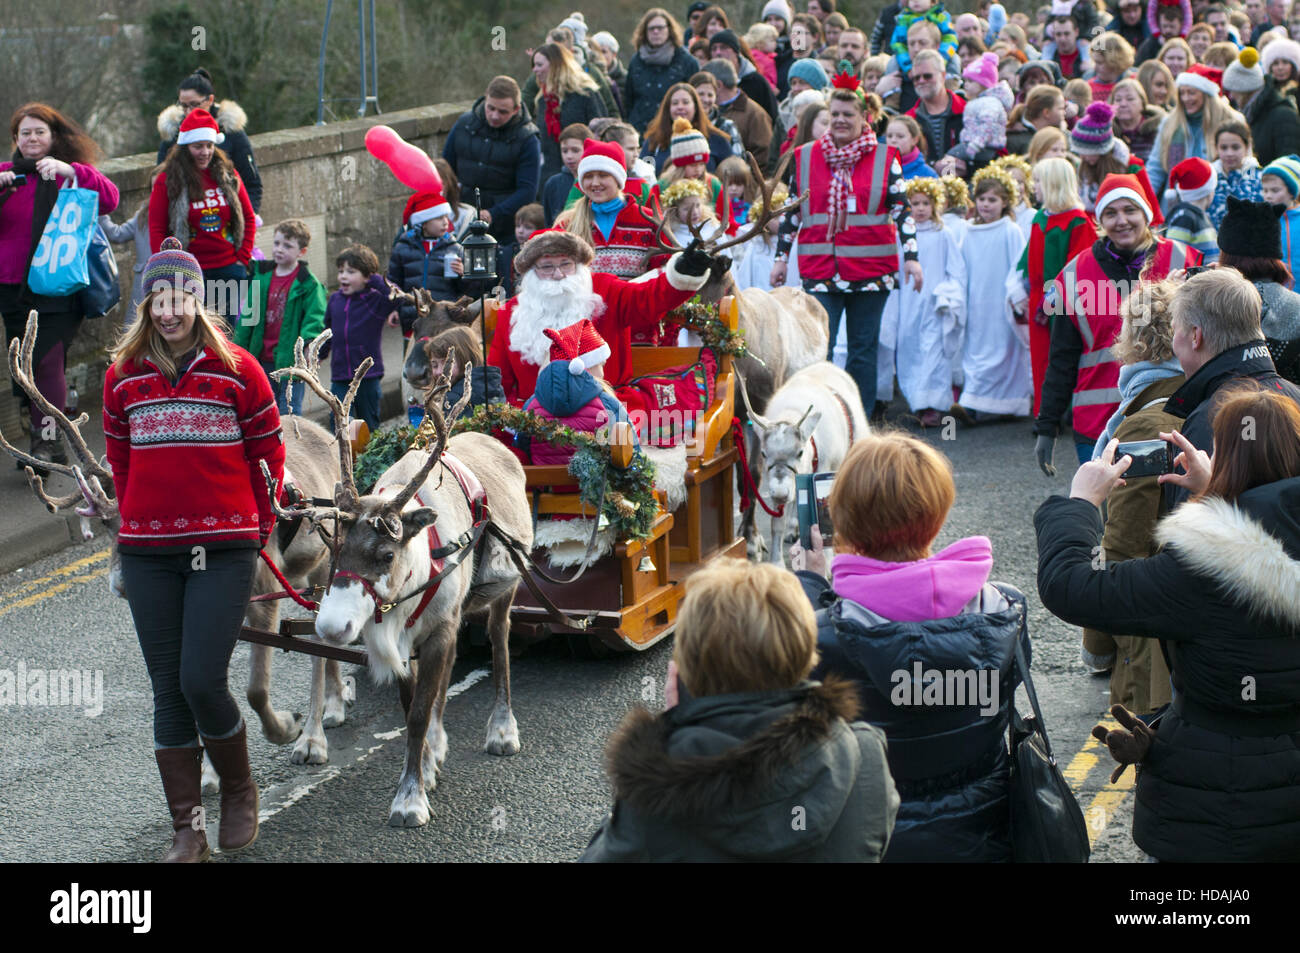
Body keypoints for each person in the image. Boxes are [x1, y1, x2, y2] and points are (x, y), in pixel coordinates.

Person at [1035, 386, 1300, 862]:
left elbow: (1071, 586)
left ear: (1232, 463)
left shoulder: (1198, 572)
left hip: (1214, 807)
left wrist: (1080, 503)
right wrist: (1217, 496)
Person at [103, 237, 284, 863]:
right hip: (150, 553)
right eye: (159, 298)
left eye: (180, 297)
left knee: (201, 678)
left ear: (197, 301)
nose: (170, 310)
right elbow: (120, 461)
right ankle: (189, 827)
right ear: (148, 304)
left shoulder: (239, 371)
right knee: (167, 689)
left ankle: (239, 789)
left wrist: (255, 531)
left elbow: (269, 456)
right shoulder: (122, 377)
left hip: (224, 547)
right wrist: (131, 527)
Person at [788, 433, 1028, 862]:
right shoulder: (1004, 609)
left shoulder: (824, 635)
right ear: (936, 516)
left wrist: (810, 584)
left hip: (872, 842)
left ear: (845, 524)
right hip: (986, 837)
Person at [581, 560, 899, 863]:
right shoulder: (863, 757)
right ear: (804, 650)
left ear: (685, 667)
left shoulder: (653, 791)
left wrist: (673, 728)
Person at [773, 76, 923, 414]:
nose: (840, 120)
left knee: (862, 349)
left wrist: (912, 258)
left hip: (872, 273)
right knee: (819, 349)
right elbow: (792, 212)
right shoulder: (805, 157)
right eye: (835, 114)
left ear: (864, 118)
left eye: (848, 115)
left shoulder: (886, 158)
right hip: (820, 270)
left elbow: (902, 211)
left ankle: (858, 421)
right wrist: (780, 259)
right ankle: (816, 417)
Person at [1034, 173, 1200, 473]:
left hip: (1173, 416)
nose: (1121, 220)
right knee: (1107, 516)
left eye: (1130, 210)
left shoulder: (1183, 259)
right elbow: (1061, 358)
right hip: (1097, 423)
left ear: (1146, 215)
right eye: (1111, 213)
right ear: (1100, 221)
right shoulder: (1072, 276)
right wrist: (1047, 425)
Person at [1077, 276, 1181, 701]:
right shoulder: (1209, 395)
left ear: (1134, 343)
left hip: (1152, 637)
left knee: (1149, 748)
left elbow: (1121, 546)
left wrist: (1096, 645)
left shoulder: (1140, 423)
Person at [0, 104, 119, 466]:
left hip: (59, 287)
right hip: (12, 287)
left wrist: (72, 171)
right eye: (25, 133)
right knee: (22, 366)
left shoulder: (70, 174)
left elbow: (110, 198)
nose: (32, 139)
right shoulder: (5, 174)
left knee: (46, 364)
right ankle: (43, 422)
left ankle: (47, 443)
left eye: (40, 132)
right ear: (15, 140)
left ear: (54, 137)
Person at [486, 229, 710, 406]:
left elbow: (650, 299)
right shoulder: (513, 313)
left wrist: (683, 273)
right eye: (546, 267)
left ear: (579, 264)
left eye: (566, 264)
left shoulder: (604, 290)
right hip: (538, 421)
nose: (558, 274)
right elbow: (497, 380)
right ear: (531, 272)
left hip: (607, 411)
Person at [1161, 266, 1300, 506]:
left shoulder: (1213, 417)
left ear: (1196, 336)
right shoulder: (1295, 396)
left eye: (1174, 330)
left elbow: (1192, 537)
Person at [148, 108, 256, 329]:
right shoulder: (166, 180)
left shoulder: (228, 175)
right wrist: (168, 269)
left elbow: (248, 217)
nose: (205, 152)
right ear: (186, 148)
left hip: (228, 270)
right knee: (193, 336)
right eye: (198, 146)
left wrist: (241, 260)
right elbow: (157, 229)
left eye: (210, 145)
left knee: (227, 339)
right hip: (188, 275)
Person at [1014, 156, 1097, 416]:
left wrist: (1055, 295)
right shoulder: (1041, 217)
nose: (1034, 187)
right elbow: (1028, 259)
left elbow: (1079, 266)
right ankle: (1045, 412)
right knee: (1041, 359)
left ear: (1053, 184)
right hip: (1038, 296)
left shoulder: (1077, 221)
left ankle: (1068, 412)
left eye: (1038, 181)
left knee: (1064, 356)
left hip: (1064, 300)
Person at [954, 166, 1031, 420]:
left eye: (992, 200)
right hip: (976, 301)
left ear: (1005, 202)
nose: (986, 205)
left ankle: (1004, 405)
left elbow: (1018, 267)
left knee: (1003, 351)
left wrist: (1015, 297)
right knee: (976, 350)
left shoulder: (1010, 230)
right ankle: (972, 403)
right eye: (982, 199)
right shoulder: (967, 231)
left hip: (1001, 302)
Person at [889, 177, 965, 424]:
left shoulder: (944, 234)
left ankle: (932, 405)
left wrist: (947, 294)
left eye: (925, 203)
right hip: (908, 306)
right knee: (911, 352)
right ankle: (918, 402)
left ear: (935, 205)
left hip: (935, 305)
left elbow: (956, 270)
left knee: (933, 351)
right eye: (914, 203)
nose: (920, 209)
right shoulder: (900, 236)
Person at [236, 218, 327, 416]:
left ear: (301, 252)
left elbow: (314, 319)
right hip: (260, 357)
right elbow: (247, 319)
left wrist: (307, 346)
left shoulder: (308, 284)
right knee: (262, 409)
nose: (279, 249)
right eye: (277, 243)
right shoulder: (261, 275)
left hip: (290, 362)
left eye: (287, 245)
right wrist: (238, 350)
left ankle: (291, 447)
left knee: (289, 411)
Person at [520, 319, 636, 465]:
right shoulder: (606, 402)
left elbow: (522, 448)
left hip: (545, 486)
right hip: (592, 486)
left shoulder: (533, 402)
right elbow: (629, 450)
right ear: (586, 366)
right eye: (601, 365)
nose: (603, 373)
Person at [442, 76, 542, 244]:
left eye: (503, 112)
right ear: (484, 101)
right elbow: (445, 169)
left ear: (516, 109)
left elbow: (527, 190)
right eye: (491, 108)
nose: (495, 116)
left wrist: (493, 213)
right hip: (463, 216)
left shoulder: (528, 139)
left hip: (504, 225)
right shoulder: (464, 124)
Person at [1217, 196, 1300, 384]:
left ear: (1225, 255)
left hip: (1225, 407)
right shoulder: (1297, 306)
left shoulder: (1212, 305)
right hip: (1291, 408)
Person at [154, 69, 262, 213]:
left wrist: (247, 220)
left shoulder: (231, 132)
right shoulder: (173, 134)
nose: (188, 111)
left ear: (210, 100)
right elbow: (160, 182)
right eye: (184, 106)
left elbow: (252, 183)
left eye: (194, 104)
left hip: (227, 219)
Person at [321, 244, 398, 435]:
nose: (343, 276)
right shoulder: (335, 300)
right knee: (338, 420)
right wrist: (320, 354)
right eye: (340, 271)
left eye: (351, 271)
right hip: (340, 375)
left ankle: (371, 460)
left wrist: (373, 279)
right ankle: (342, 460)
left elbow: (396, 296)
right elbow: (327, 331)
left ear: (366, 276)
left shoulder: (374, 301)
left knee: (368, 422)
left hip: (367, 376)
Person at [558, 138, 659, 281]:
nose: (595, 183)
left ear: (618, 179)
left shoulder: (648, 220)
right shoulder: (567, 225)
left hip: (636, 302)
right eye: (588, 176)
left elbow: (662, 271)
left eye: (603, 175)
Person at [1145, 63, 1246, 199]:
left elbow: (1245, 163)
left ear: (1206, 95)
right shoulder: (1169, 122)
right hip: (1177, 203)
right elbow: (1155, 168)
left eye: (1191, 93)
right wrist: (1144, 200)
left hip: (1220, 201)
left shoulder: (1232, 120)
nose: (1186, 98)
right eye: (1182, 93)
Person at [387, 188, 465, 335]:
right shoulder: (403, 247)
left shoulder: (455, 249)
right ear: (424, 223)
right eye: (438, 218)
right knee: (413, 357)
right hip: (412, 318)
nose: (445, 222)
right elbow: (394, 282)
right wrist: (393, 309)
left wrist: (463, 274)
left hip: (443, 318)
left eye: (446, 217)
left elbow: (466, 290)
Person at [1072, 102, 1165, 222]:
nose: (1082, 156)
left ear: (1101, 150)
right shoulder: (1082, 169)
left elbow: (1151, 209)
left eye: (1086, 151)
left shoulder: (1131, 166)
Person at [532, 44, 607, 188]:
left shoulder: (585, 94)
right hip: (551, 179)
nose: (535, 69)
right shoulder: (543, 100)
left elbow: (601, 134)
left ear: (556, 65)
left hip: (586, 177)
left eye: (539, 64)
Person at [623, 9, 702, 134]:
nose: (656, 32)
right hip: (640, 130)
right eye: (651, 28)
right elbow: (629, 99)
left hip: (675, 130)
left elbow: (696, 99)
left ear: (669, 30)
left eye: (660, 28)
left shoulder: (686, 61)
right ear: (645, 32)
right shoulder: (636, 61)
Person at [938, 52, 1014, 175]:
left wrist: (976, 145)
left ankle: (949, 185)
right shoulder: (979, 101)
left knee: (949, 159)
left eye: (971, 81)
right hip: (975, 144)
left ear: (984, 84)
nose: (965, 84)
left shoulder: (990, 103)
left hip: (983, 147)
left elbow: (987, 125)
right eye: (965, 80)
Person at [1223, 48, 1300, 167]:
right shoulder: (1246, 113)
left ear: (1245, 90)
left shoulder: (1283, 114)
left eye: (1234, 91)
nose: (1232, 96)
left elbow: (1288, 163)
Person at [641, 82, 733, 174]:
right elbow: (642, 174)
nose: (680, 107)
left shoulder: (717, 139)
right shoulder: (654, 141)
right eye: (675, 103)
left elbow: (732, 174)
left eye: (686, 102)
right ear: (668, 109)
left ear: (695, 107)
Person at [703, 59, 776, 169]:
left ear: (718, 85)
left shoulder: (755, 114)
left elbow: (764, 158)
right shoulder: (709, 111)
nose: (704, 97)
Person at [707, 29, 783, 124]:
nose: (718, 52)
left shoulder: (756, 82)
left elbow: (772, 118)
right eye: (714, 49)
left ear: (736, 52)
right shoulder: (707, 81)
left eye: (724, 47)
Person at [1161, 156, 1220, 260]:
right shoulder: (1184, 218)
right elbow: (1174, 258)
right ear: (1209, 191)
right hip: (1194, 276)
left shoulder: (1200, 216)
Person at [542, 122, 592, 224]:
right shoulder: (553, 183)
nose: (569, 156)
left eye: (575, 150)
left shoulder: (595, 182)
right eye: (564, 151)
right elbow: (549, 220)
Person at [1110, 77, 1165, 162]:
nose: (1123, 104)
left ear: (1142, 103)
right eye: (1118, 100)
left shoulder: (1159, 129)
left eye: (1130, 99)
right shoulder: (1107, 132)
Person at [1006, 84, 1069, 154]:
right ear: (1046, 113)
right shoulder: (1016, 140)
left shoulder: (1063, 137)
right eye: (1061, 109)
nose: (1064, 113)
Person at [1135, 0, 1191, 65]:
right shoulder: (1150, 45)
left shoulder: (1188, 44)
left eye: (1172, 27)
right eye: (1165, 26)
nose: (1168, 30)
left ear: (1181, 25)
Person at [1088, 31, 1136, 102]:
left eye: (1100, 63)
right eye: (1094, 62)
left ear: (1114, 62)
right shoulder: (1088, 87)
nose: (1095, 68)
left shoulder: (1134, 83)